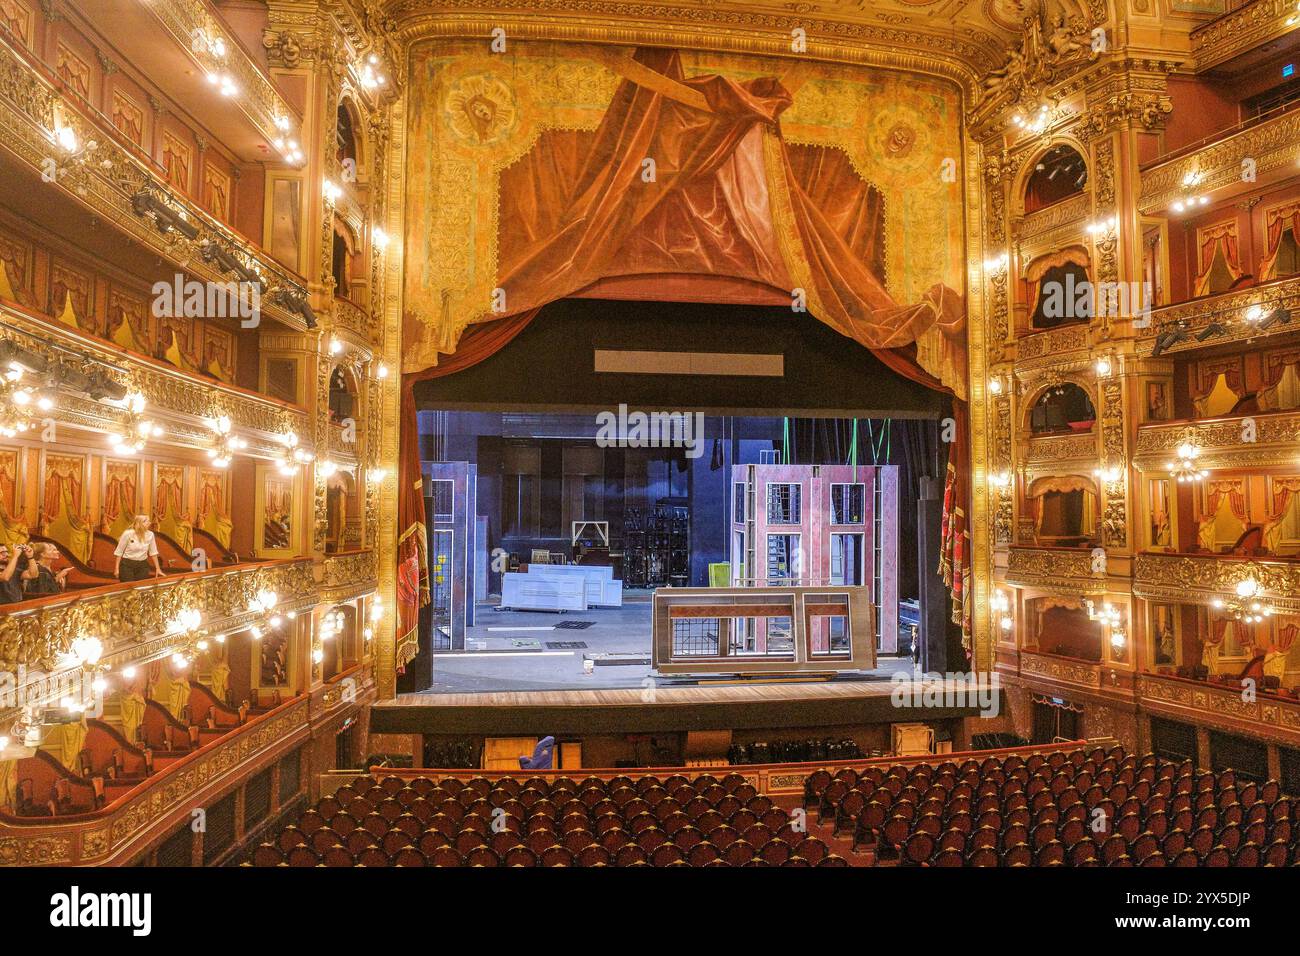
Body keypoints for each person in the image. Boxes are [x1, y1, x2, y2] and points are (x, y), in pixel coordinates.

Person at [114, 515, 164, 582]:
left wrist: (158, 569)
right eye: (147, 521)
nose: (150, 523)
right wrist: (116, 569)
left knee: (140, 589)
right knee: (128, 589)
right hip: (127, 565)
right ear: (140, 523)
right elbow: (119, 552)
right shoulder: (128, 534)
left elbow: (153, 552)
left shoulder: (150, 534)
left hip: (142, 566)